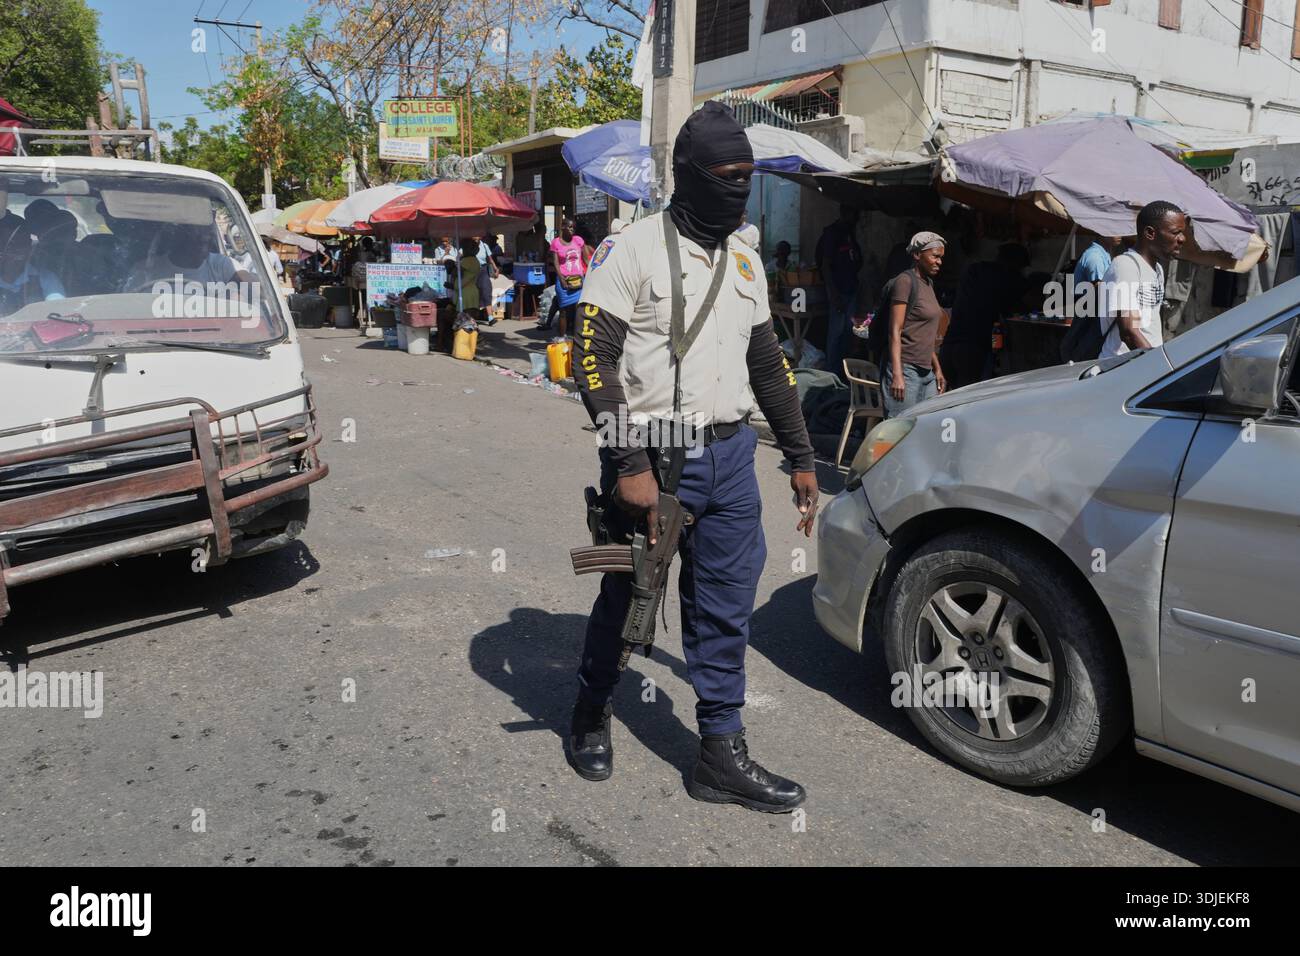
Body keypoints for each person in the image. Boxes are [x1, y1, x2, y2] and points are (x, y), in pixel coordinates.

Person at [568, 100, 818, 813]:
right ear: (688, 175)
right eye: (726, 175)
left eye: (748, 176)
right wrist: (629, 465)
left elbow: (768, 366)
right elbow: (593, 361)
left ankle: (719, 753)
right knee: (628, 595)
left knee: (725, 607)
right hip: (654, 454)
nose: (738, 188)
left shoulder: (744, 258)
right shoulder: (631, 248)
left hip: (732, 457)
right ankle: (591, 708)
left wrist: (800, 455)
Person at [1099, 201, 1186, 359]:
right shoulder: (1125, 266)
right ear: (1150, 233)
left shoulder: (1157, 269)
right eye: (1175, 232)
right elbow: (1129, 331)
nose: (1182, 239)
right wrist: (1156, 364)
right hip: (1123, 369)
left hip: (1143, 366)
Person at [939, 243, 1030, 390]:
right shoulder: (1007, 278)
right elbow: (1013, 309)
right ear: (1014, 263)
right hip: (972, 349)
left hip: (949, 345)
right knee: (969, 400)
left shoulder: (974, 270)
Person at [883, 231, 948, 417]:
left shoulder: (928, 283)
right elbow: (895, 330)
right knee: (900, 430)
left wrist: (937, 369)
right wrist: (897, 374)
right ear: (917, 255)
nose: (939, 262)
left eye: (941, 258)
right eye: (935, 256)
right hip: (906, 370)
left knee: (925, 427)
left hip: (927, 372)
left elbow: (926, 333)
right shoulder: (904, 282)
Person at [816, 204, 863, 380]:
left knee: (847, 332)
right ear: (846, 214)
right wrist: (833, 294)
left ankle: (842, 373)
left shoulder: (849, 233)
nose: (857, 220)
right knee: (835, 333)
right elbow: (825, 265)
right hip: (838, 291)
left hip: (850, 288)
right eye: (854, 216)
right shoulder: (832, 233)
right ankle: (831, 375)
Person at [0, 213, 65, 315]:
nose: (15, 250)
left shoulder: (46, 279)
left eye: (21, 244)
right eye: (7, 245)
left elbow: (58, 314)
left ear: (30, 247)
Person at [550, 217, 586, 337]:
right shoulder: (556, 243)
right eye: (570, 227)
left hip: (579, 282)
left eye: (573, 228)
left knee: (578, 311)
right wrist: (561, 279)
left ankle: (578, 340)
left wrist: (589, 275)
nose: (572, 230)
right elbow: (555, 263)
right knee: (563, 312)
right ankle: (561, 339)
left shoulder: (578, 241)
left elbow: (585, 259)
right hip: (564, 282)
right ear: (563, 227)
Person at [476, 233, 500, 325]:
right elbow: (459, 255)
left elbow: (490, 258)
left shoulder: (484, 245)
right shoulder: (468, 246)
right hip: (472, 271)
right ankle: (472, 317)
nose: (475, 237)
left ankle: (490, 317)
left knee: (486, 291)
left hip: (483, 269)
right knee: (475, 293)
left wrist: (495, 268)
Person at [458, 237, 482, 316]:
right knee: (470, 316)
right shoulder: (475, 260)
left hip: (465, 291)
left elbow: (457, 273)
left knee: (464, 316)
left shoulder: (467, 260)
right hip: (472, 289)